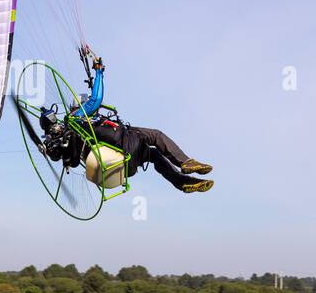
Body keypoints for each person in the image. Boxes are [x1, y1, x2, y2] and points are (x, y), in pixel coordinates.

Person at [75, 49, 214, 194]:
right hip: (126, 144)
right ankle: (185, 162)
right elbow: (96, 99)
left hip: (124, 165)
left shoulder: (83, 129)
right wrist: (99, 71)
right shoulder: (78, 117)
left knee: (154, 155)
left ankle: (184, 182)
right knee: (156, 136)